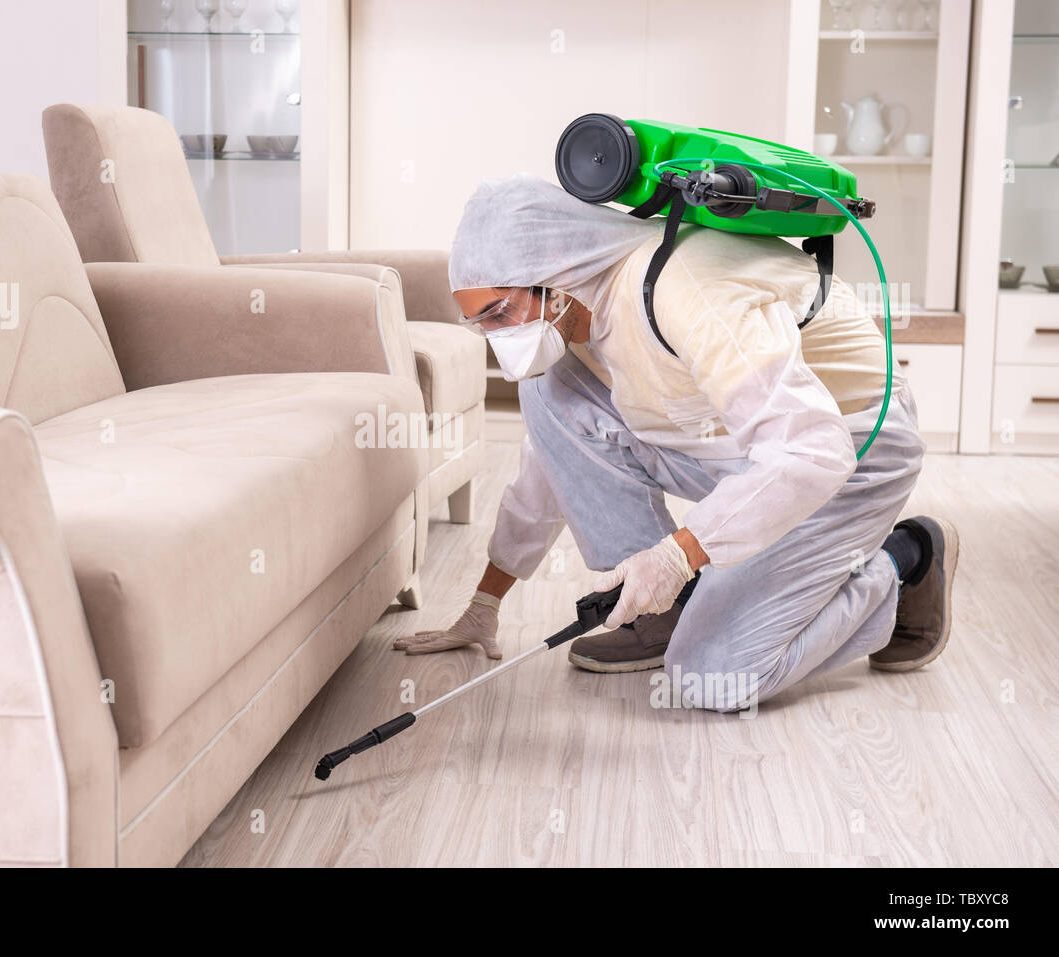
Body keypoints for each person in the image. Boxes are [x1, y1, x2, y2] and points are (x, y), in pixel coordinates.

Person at [394, 175, 957, 711]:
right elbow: (552, 467)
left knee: (714, 678)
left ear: (554, 274)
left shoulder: (685, 292)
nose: (498, 338)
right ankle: (662, 611)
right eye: (480, 324)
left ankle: (906, 558)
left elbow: (811, 450)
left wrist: (678, 554)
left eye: (500, 312)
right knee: (547, 394)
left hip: (851, 454)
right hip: (741, 447)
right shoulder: (576, 317)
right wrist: (485, 603)